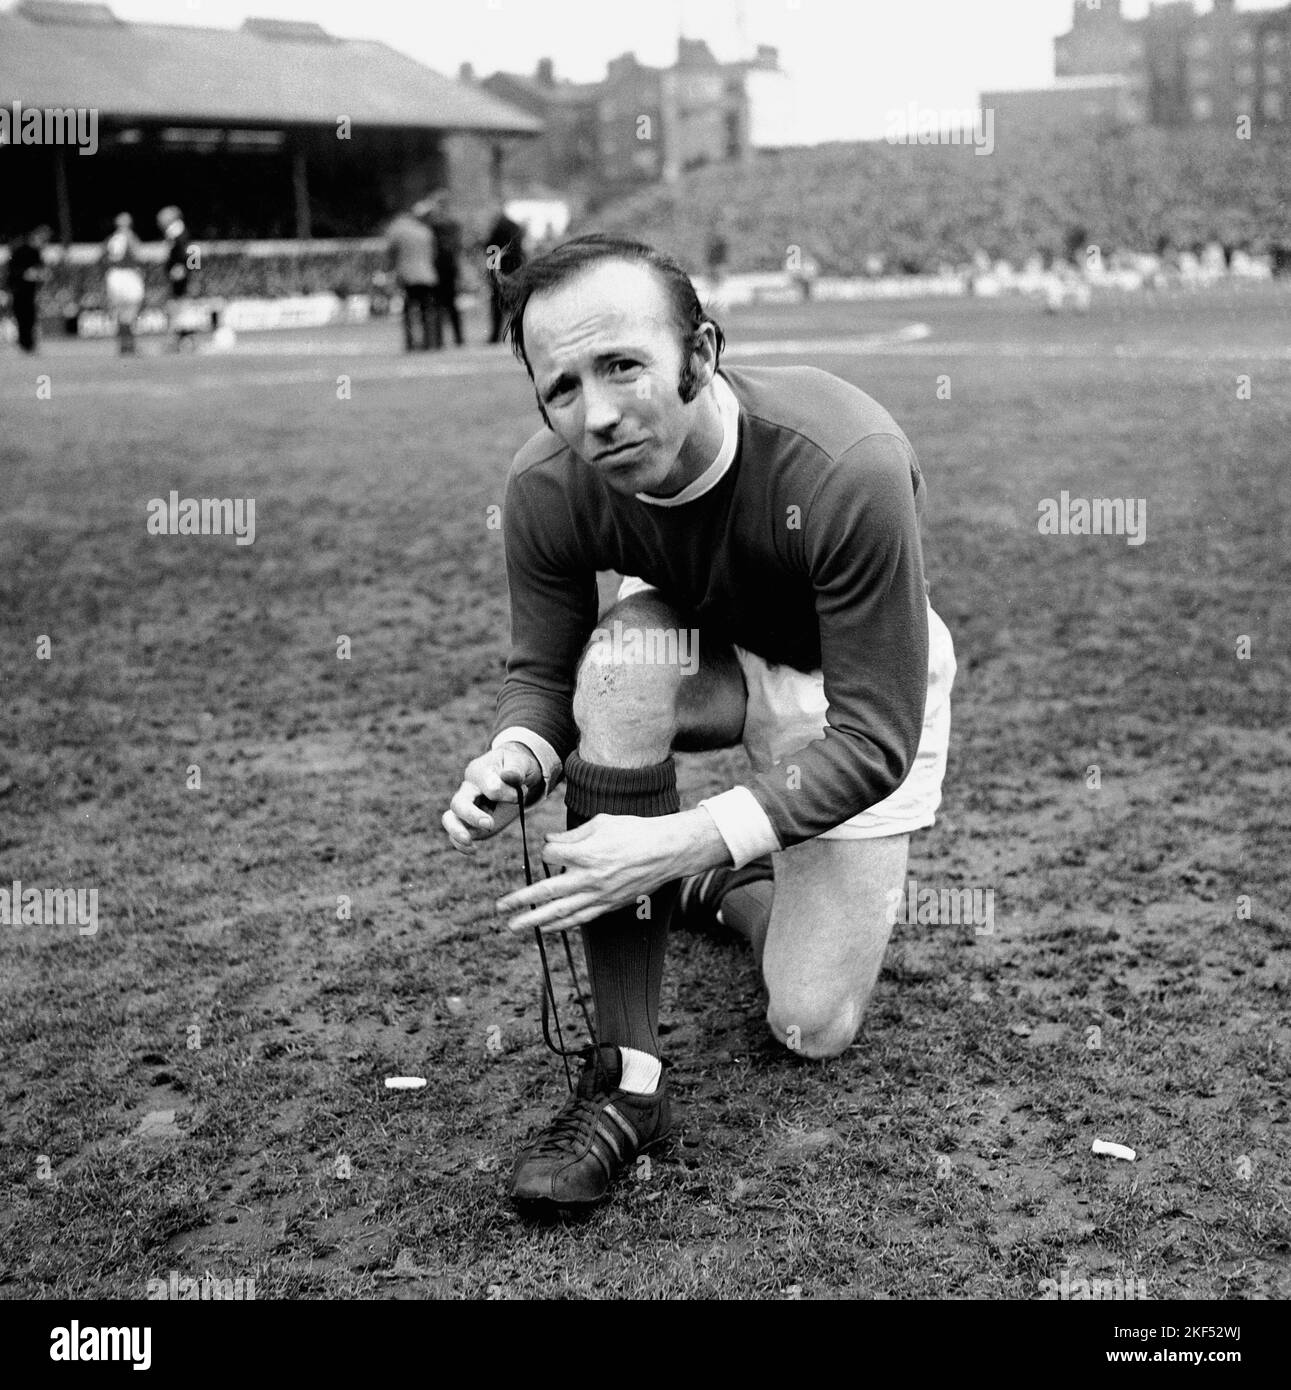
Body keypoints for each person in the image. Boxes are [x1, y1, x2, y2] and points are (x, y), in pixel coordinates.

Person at [442, 235, 957, 1215]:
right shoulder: (549, 487)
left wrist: (676, 841)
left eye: (622, 366)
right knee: (624, 660)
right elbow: (545, 677)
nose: (594, 413)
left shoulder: (846, 460)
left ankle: (720, 886)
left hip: (842, 691)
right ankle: (628, 1083)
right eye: (560, 387)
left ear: (701, 356)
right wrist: (516, 753)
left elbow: (874, 741)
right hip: (706, 653)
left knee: (810, 1023)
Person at [387, 199, 439, 351]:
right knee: (427, 311)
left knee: (409, 311)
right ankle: (429, 342)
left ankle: (410, 343)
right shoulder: (426, 232)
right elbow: (433, 254)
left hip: (408, 275)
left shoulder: (400, 231)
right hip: (427, 275)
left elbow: (391, 252)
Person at [102, 213, 145, 356]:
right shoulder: (129, 236)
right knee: (131, 312)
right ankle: (130, 345)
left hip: (113, 275)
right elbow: (138, 254)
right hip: (128, 275)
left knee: (120, 313)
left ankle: (123, 346)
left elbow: (103, 257)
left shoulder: (111, 238)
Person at [156, 206, 198, 350]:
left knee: (180, 307)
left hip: (180, 275)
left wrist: (186, 269)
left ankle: (183, 340)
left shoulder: (177, 231)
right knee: (179, 307)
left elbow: (192, 251)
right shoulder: (176, 231)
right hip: (180, 275)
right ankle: (182, 340)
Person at [483, 204, 525, 343]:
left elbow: (492, 250)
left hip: (500, 270)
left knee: (497, 304)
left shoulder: (497, 228)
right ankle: (521, 333)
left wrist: (491, 270)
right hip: (515, 269)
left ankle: (495, 336)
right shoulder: (515, 227)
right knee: (515, 303)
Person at [6, 224, 51, 353]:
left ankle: (29, 345)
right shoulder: (20, 250)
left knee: (30, 318)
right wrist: (26, 273)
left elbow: (41, 270)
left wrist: (42, 274)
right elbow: (13, 271)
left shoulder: (36, 253)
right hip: (18, 290)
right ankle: (24, 344)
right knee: (22, 317)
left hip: (30, 292)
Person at [429, 191, 465, 347]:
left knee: (438, 304)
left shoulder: (434, 224)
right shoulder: (453, 224)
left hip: (439, 267)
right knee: (451, 305)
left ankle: (438, 339)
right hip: (450, 266)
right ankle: (458, 337)